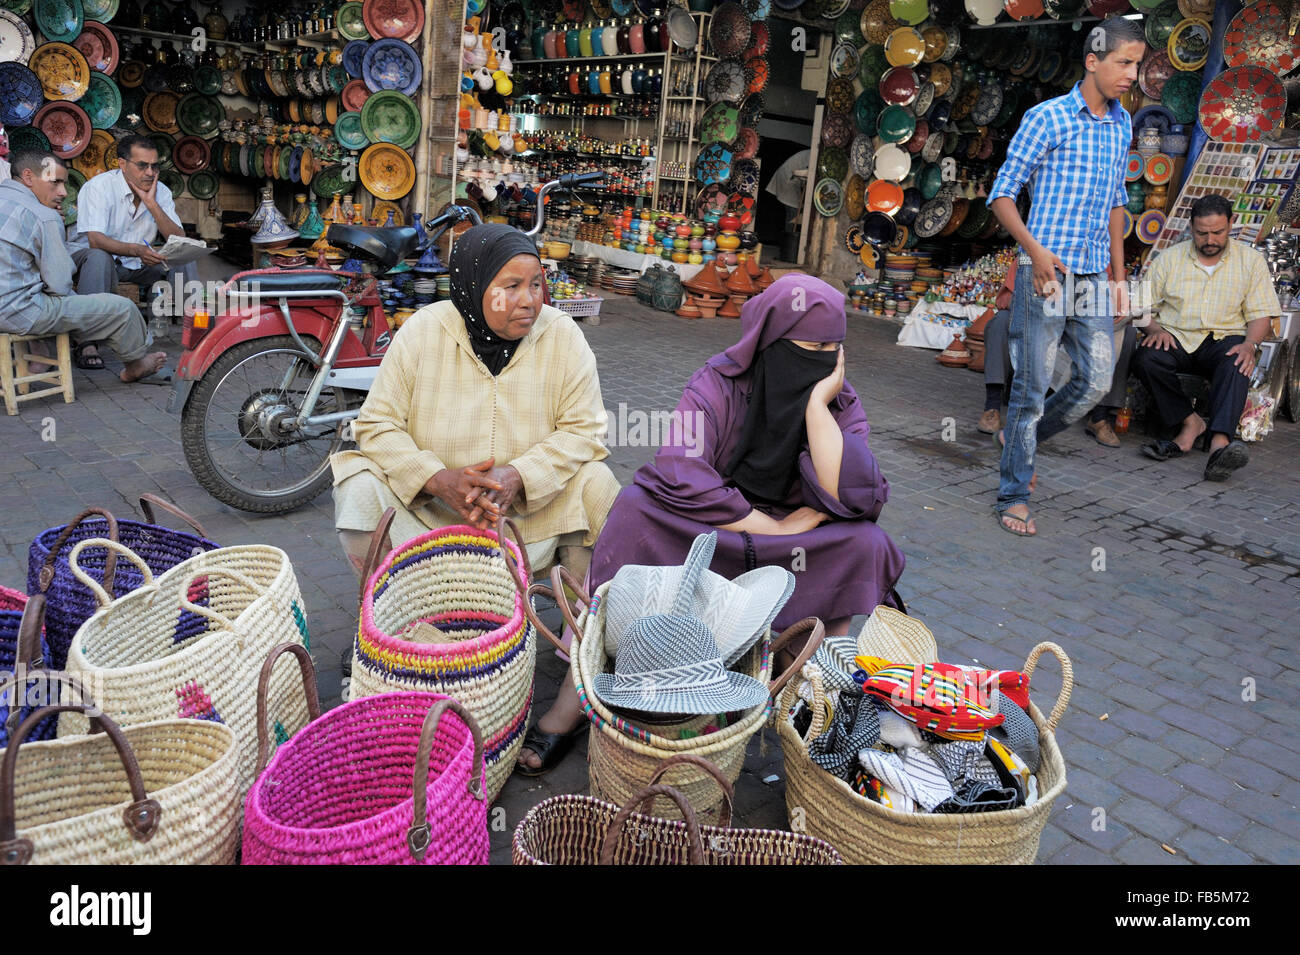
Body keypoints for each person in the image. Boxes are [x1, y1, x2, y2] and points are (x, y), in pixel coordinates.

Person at [514, 274, 905, 773]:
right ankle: (572, 702)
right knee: (635, 508)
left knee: (865, 543)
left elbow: (851, 493)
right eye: (812, 346)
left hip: (799, 538)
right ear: (774, 341)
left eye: (835, 347)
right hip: (718, 524)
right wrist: (769, 526)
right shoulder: (720, 382)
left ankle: (813, 699)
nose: (826, 358)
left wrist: (814, 405)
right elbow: (682, 465)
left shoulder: (839, 403)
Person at [331, 221, 619, 601]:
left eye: (535, 284)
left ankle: (580, 637)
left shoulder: (562, 334)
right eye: (511, 286)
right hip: (428, 517)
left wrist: (519, 475)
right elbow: (377, 425)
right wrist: (435, 479)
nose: (530, 300)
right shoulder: (423, 331)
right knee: (357, 483)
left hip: (524, 521)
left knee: (597, 483)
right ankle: (390, 624)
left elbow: (585, 430)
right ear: (474, 284)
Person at [986, 17, 1143, 536]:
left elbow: (1118, 203)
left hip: (1095, 275)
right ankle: (1014, 493)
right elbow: (1002, 195)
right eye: (1124, 63)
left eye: (1137, 64)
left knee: (1095, 380)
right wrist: (1035, 252)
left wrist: (1120, 278)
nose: (1132, 75)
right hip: (1045, 276)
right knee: (1030, 392)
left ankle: (1020, 437)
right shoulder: (1046, 118)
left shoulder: (1123, 123)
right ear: (1093, 60)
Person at [1132, 194, 1280, 481]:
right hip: (1176, 337)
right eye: (1202, 233)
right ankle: (1190, 424)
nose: (1209, 239)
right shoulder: (1170, 259)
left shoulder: (1250, 261)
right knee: (1146, 358)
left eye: (1217, 232)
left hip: (1223, 338)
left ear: (1231, 224)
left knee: (1238, 360)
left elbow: (1261, 313)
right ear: (1191, 227)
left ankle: (1219, 446)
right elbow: (1139, 308)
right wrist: (1154, 329)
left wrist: (1250, 344)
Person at [0, 150, 167, 383]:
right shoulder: (43, 216)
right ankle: (135, 364)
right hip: (15, 312)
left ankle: (40, 354)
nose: (63, 193)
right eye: (55, 182)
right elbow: (59, 285)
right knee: (122, 309)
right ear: (28, 177)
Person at [977, 267, 1137, 447]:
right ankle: (992, 406)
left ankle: (1099, 417)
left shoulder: (1100, 260)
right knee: (1001, 321)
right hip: (1040, 316)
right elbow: (1005, 300)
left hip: (1081, 324)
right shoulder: (1038, 249)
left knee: (1127, 332)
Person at [71, 134, 194, 360]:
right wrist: (137, 250)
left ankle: (195, 329)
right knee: (98, 256)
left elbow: (179, 238)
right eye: (142, 165)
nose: (150, 172)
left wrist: (151, 203)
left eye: (154, 166)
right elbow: (95, 240)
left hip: (139, 264)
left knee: (186, 254)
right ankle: (86, 342)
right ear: (122, 164)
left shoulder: (161, 191)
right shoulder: (99, 187)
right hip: (99, 263)